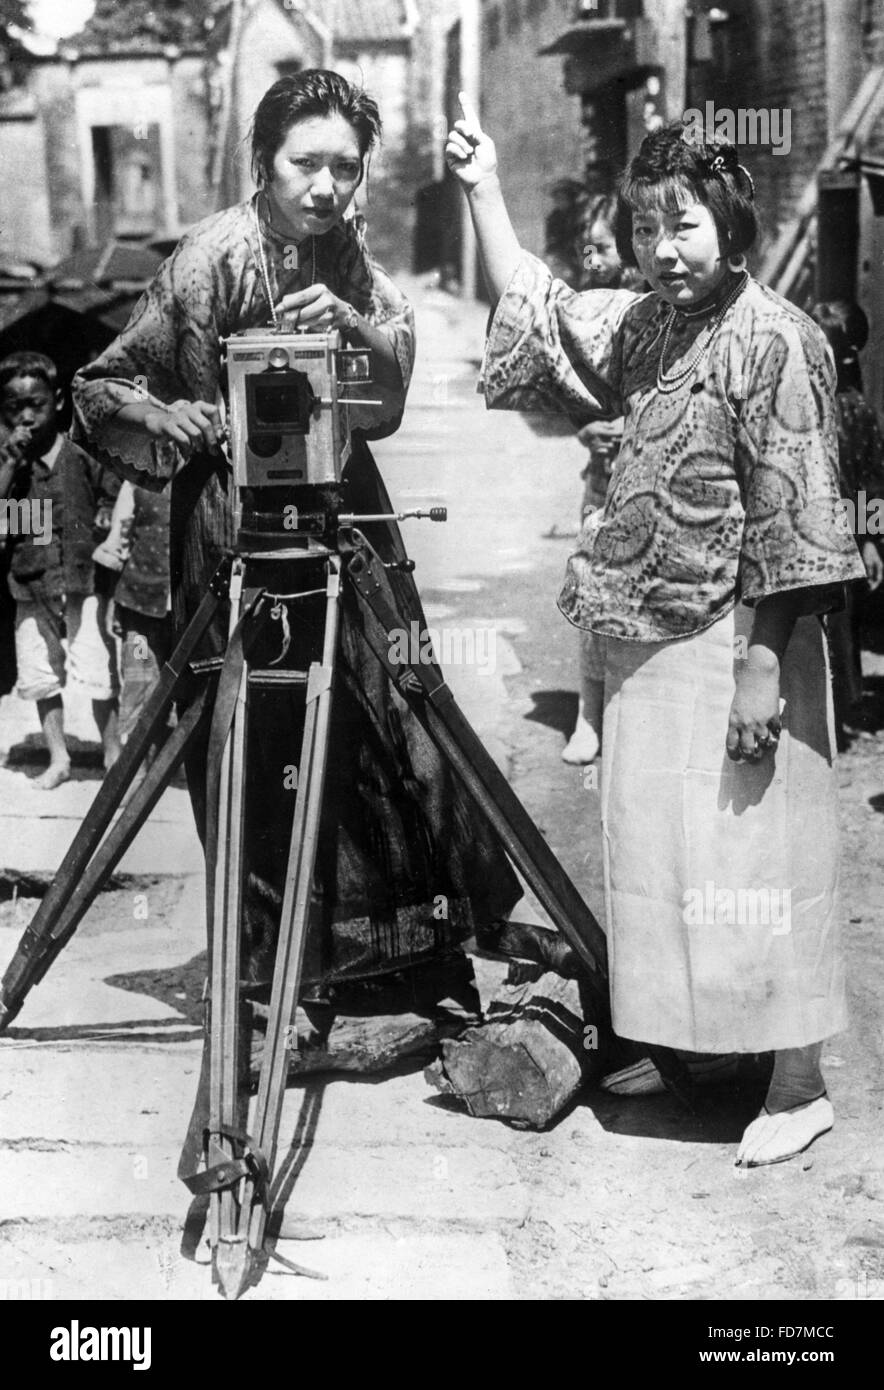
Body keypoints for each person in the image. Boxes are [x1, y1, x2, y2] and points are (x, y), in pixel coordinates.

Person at [446, 98, 866, 1166]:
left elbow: (795, 518)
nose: (659, 249)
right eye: (643, 227)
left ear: (731, 221)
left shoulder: (778, 340)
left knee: (759, 860)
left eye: (681, 225)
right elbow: (543, 315)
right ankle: (689, 1047)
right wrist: (484, 191)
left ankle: (794, 1081)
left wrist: (760, 674)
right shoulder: (646, 324)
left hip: (739, 642)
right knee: (663, 861)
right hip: (645, 637)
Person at [73, 71, 520, 1008]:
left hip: (341, 521)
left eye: (345, 170)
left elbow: (389, 391)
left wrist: (352, 324)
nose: (325, 188)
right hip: (228, 529)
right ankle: (270, 973)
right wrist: (171, 417)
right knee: (252, 746)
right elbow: (97, 389)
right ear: (264, 161)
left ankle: (383, 965)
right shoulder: (208, 259)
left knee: (384, 725)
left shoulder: (348, 254)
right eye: (305, 164)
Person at [0, 351, 120, 789]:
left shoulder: (80, 452)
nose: (27, 416)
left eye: (37, 404)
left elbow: (110, 490)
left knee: (97, 668)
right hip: (30, 583)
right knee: (39, 673)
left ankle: (114, 753)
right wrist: (11, 463)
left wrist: (106, 513)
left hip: (81, 580)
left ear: (58, 403)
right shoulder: (10, 463)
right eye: (15, 408)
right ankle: (59, 757)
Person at [809, 300, 884, 749]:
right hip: (798, 528)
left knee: (838, 623)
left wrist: (871, 541)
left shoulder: (854, 410)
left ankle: (836, 713)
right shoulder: (794, 402)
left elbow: (870, 481)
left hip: (841, 531)